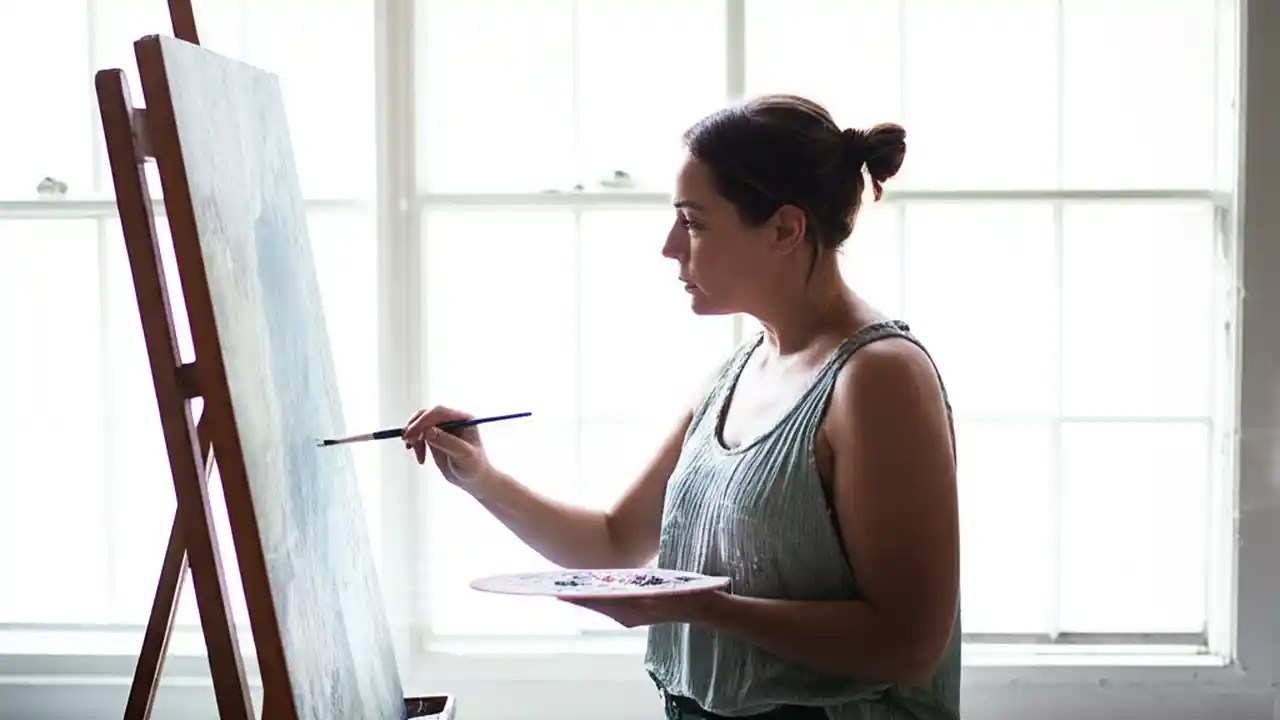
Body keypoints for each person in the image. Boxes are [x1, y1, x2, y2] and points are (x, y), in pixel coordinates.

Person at [403, 94, 961, 720]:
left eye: (693, 222)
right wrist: (483, 478)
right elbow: (615, 543)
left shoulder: (880, 379)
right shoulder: (737, 371)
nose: (670, 247)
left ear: (784, 228)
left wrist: (700, 607)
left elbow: (907, 648)